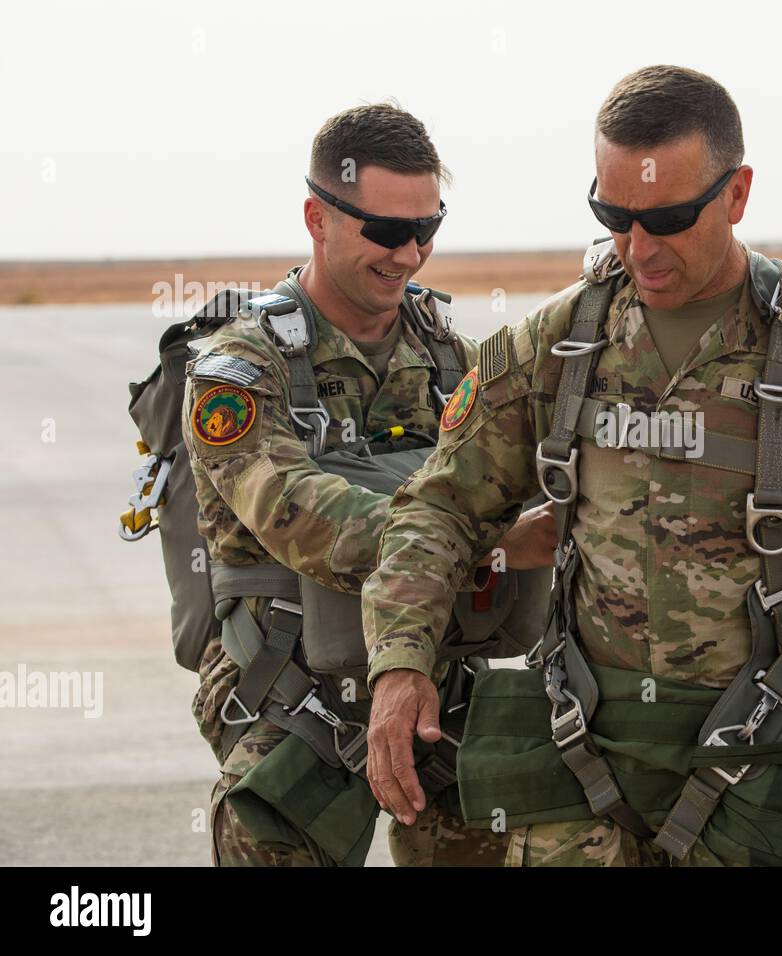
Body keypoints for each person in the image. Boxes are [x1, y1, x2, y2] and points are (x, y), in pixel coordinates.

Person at [362, 65, 782, 867]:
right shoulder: (557, 345)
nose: (637, 248)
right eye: (613, 215)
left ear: (737, 194)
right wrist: (400, 664)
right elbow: (439, 507)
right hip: (582, 754)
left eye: (669, 218)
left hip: (760, 756)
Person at [181, 103, 554, 866]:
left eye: (427, 230)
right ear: (318, 218)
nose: (410, 255)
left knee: (531, 822)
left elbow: (532, 460)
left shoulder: (449, 351)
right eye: (386, 233)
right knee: (270, 833)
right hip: (287, 677)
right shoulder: (240, 369)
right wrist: (488, 540)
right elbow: (302, 516)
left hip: (438, 667)